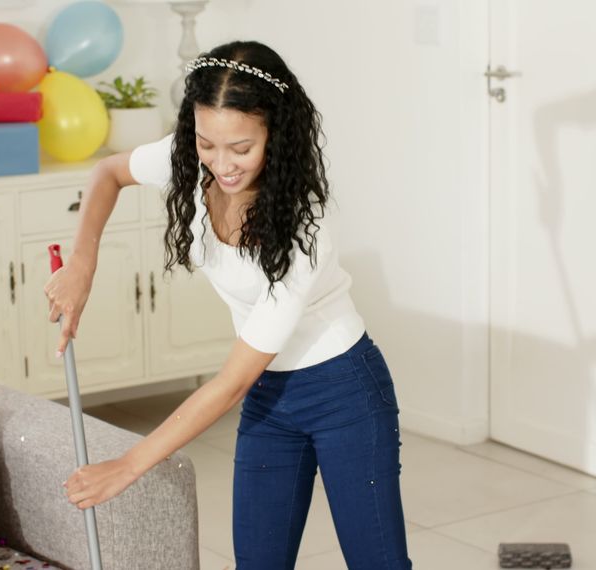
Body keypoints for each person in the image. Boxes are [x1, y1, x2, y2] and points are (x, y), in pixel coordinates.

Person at [45, 40, 412, 569]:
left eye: (241, 148)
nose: (221, 164)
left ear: (275, 135)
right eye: (207, 143)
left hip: (344, 393)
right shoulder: (189, 161)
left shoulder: (306, 228)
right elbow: (108, 174)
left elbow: (232, 381)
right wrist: (83, 263)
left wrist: (128, 465)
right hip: (270, 396)